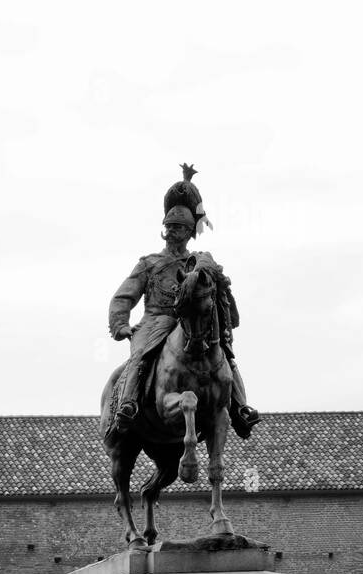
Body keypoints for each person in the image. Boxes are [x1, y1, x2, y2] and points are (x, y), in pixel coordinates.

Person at [108, 167, 259, 439]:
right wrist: (120, 323)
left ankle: (240, 407)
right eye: (169, 227)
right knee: (140, 356)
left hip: (192, 321)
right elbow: (124, 295)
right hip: (155, 321)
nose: (172, 231)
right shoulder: (149, 264)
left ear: (190, 232)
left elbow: (220, 296)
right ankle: (128, 404)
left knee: (226, 355)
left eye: (178, 228)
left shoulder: (199, 264)